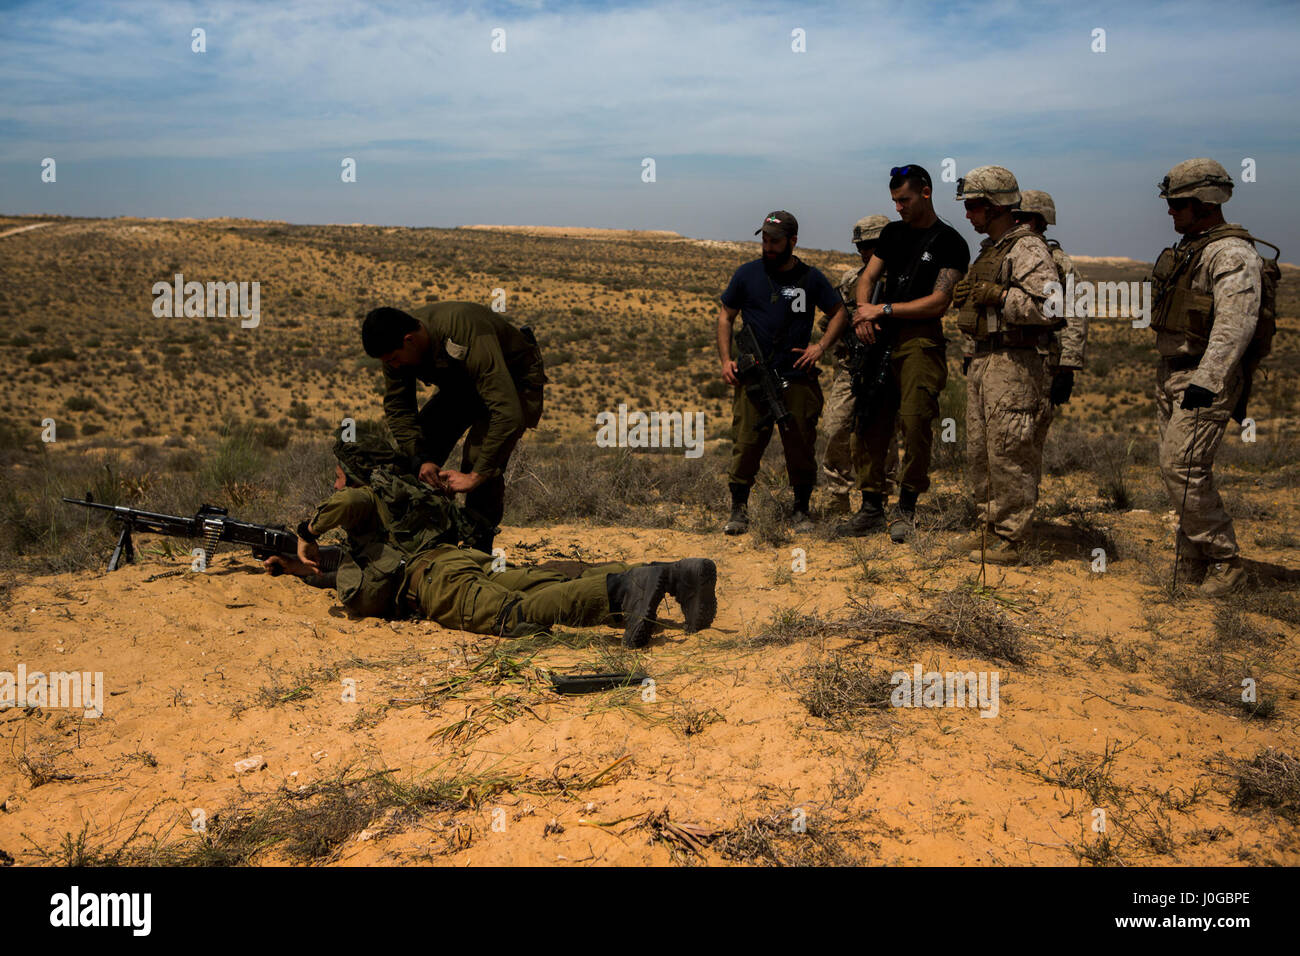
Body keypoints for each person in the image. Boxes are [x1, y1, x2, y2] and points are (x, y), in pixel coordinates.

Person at [265, 440, 718, 648]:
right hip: (466, 560)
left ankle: (623, 592)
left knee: (513, 614)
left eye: (339, 476)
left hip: (436, 581)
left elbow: (346, 502)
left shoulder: (361, 497)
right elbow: (357, 571)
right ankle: (672, 573)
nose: (335, 483)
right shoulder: (395, 505)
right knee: (538, 580)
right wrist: (301, 570)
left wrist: (307, 533)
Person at [1149, 158, 1269, 597]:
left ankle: (1224, 559)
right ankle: (1195, 555)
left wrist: (1209, 379)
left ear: (1205, 202)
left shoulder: (1231, 253)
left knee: (1182, 465)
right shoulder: (1195, 248)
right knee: (1176, 468)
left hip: (1203, 377)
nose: (1170, 211)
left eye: (1179, 203)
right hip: (1174, 373)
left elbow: (1236, 322)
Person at [837, 165, 970, 542]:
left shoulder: (950, 241)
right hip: (879, 340)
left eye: (905, 200)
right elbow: (867, 277)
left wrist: (884, 310)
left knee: (915, 425)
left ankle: (907, 508)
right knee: (869, 423)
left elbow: (939, 301)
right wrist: (864, 313)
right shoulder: (893, 234)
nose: (899, 208)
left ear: (926, 192)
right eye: (894, 201)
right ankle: (871, 507)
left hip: (919, 341)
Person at [361, 303, 547, 554]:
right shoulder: (395, 350)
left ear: (410, 340)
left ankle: (478, 549)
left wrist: (476, 476)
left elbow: (507, 413)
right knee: (412, 457)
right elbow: (399, 409)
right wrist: (421, 459)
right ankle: (420, 541)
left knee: (478, 458)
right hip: (464, 385)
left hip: (514, 383)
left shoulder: (465, 333)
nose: (393, 366)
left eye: (394, 359)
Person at [951, 165, 1061, 566]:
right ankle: (989, 525)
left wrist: (998, 296)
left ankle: (1012, 536)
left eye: (974, 206)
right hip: (984, 359)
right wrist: (969, 296)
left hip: (1014, 362)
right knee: (980, 451)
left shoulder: (1027, 248)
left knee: (1009, 449)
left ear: (995, 206)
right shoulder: (992, 249)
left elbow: (1051, 307)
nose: (968, 215)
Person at [716, 210, 849, 534]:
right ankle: (738, 509)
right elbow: (725, 316)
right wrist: (725, 361)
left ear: (793, 241)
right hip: (754, 377)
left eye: (775, 241)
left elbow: (839, 312)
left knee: (801, 445)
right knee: (746, 444)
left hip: (797, 378)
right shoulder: (747, 274)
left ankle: (801, 510)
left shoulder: (810, 278)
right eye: (764, 239)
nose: (768, 246)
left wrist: (819, 348)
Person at [821, 215, 890, 515]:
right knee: (835, 427)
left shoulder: (902, 281)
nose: (865, 252)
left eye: (871, 246)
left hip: (887, 368)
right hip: (851, 368)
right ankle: (837, 496)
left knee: (881, 434)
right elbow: (831, 321)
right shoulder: (852, 281)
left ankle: (881, 497)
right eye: (861, 246)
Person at [1013, 190, 1087, 416]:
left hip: (1043, 357)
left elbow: (1076, 310)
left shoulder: (1056, 260)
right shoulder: (1007, 253)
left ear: (1036, 220)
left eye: (1021, 218)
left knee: (1033, 426)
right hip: (1009, 355)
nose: (1015, 223)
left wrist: (1067, 368)